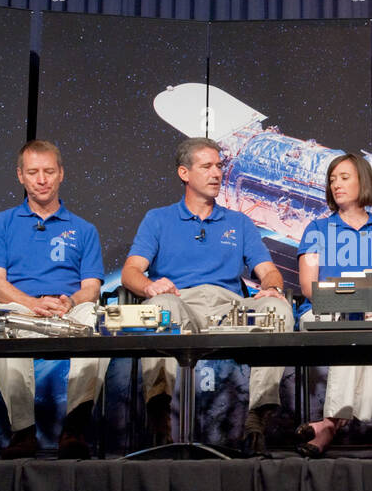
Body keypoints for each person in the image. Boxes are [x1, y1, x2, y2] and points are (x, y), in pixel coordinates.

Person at [122, 137, 294, 453]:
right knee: (159, 307)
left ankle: (257, 419)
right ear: (184, 173)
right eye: (207, 167)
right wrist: (149, 286)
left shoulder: (239, 222)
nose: (216, 173)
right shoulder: (158, 219)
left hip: (229, 311)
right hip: (181, 304)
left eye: (219, 166)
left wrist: (272, 288)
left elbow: (269, 271)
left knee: (278, 310)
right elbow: (130, 271)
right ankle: (160, 418)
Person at [0, 140, 107, 459]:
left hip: (68, 310)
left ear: (61, 174)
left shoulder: (84, 229)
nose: (41, 180)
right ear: (20, 176)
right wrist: (32, 304)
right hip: (21, 308)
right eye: (33, 172)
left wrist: (70, 302)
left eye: (49, 171)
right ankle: (23, 432)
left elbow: (91, 288)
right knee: (1, 321)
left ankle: (74, 429)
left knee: (98, 319)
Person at [295, 153, 372, 457]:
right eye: (332, 180)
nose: (336, 185)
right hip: (323, 314)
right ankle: (336, 422)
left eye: (344, 178)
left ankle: (328, 426)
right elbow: (308, 288)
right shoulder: (317, 229)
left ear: (363, 182)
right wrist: (349, 303)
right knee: (350, 324)